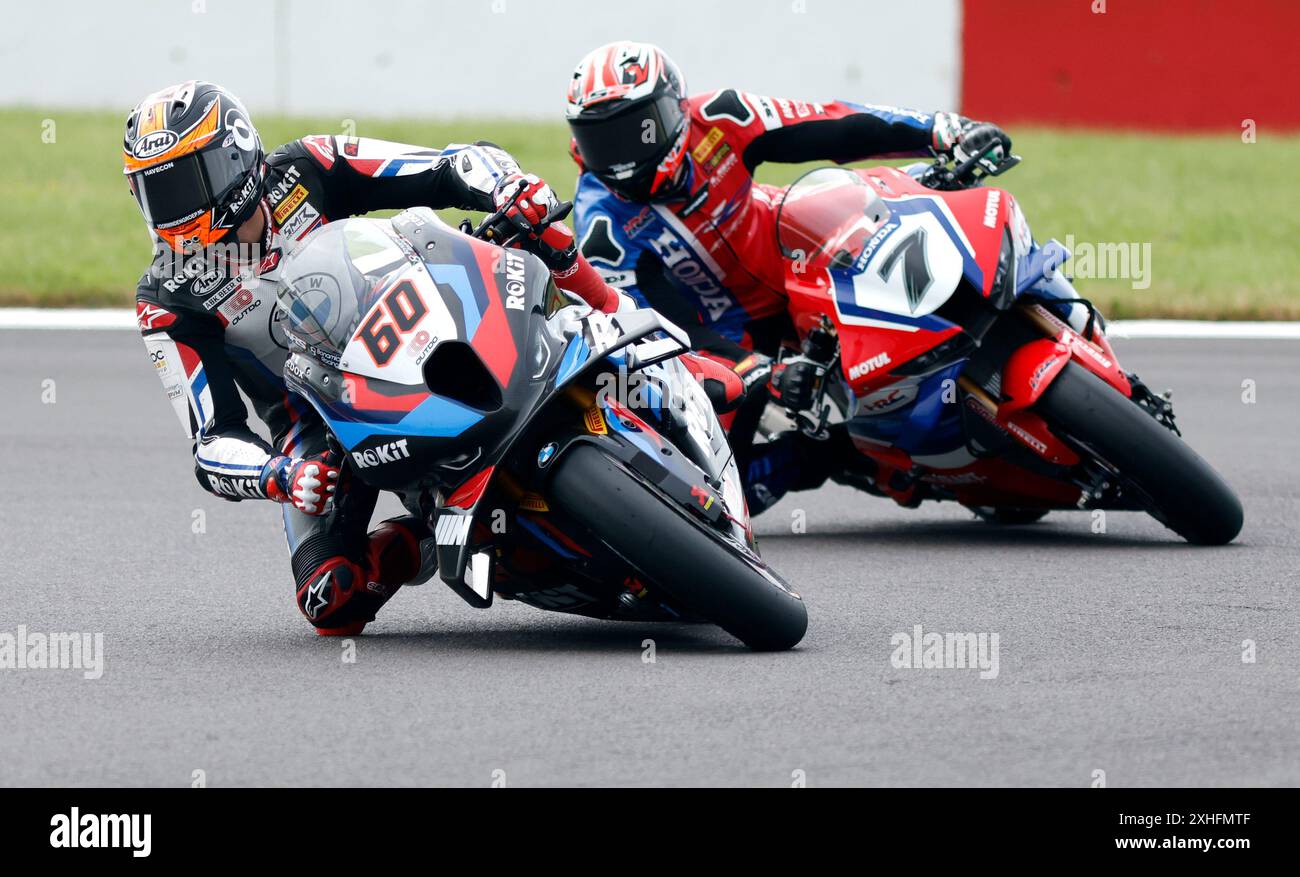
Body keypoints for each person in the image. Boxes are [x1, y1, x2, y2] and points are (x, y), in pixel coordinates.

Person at [127, 80, 621, 635]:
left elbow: (448, 164)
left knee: (534, 228)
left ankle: (621, 321)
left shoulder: (309, 166)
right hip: (320, 418)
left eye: (178, 185)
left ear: (232, 158)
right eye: (150, 192)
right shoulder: (167, 295)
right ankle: (427, 534)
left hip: (419, 317)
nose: (167, 212)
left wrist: (506, 185)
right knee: (328, 599)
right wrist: (279, 474)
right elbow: (211, 440)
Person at [565, 42, 1012, 512]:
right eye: (600, 139)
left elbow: (834, 125)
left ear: (674, 109)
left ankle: (1021, 298)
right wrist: (762, 371)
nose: (619, 156)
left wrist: (940, 131)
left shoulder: (723, 117)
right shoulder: (602, 226)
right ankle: (841, 454)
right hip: (729, 330)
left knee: (917, 208)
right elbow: (650, 323)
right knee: (714, 484)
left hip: (804, 248)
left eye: (635, 130)